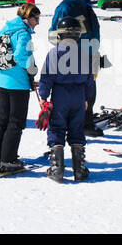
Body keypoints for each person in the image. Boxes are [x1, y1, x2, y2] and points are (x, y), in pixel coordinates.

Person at [0, 2, 40, 174]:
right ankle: (8, 160)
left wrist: (4, 60)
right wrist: (32, 68)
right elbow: (22, 56)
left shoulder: (7, 29)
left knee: (2, 120)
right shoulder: (23, 34)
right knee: (16, 121)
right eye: (36, 18)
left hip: (2, 81)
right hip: (18, 83)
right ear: (29, 18)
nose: (38, 22)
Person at [40, 16, 96, 182]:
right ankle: (79, 169)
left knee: (57, 128)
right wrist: (87, 98)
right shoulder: (84, 53)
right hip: (78, 95)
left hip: (60, 95)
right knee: (76, 128)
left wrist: (43, 95)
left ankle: (57, 169)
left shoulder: (54, 53)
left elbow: (46, 77)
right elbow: (89, 80)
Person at [49, 0, 102, 136]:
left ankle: (86, 121)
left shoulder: (84, 4)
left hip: (90, 52)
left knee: (90, 91)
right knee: (80, 92)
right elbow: (53, 34)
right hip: (76, 55)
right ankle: (80, 124)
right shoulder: (64, 8)